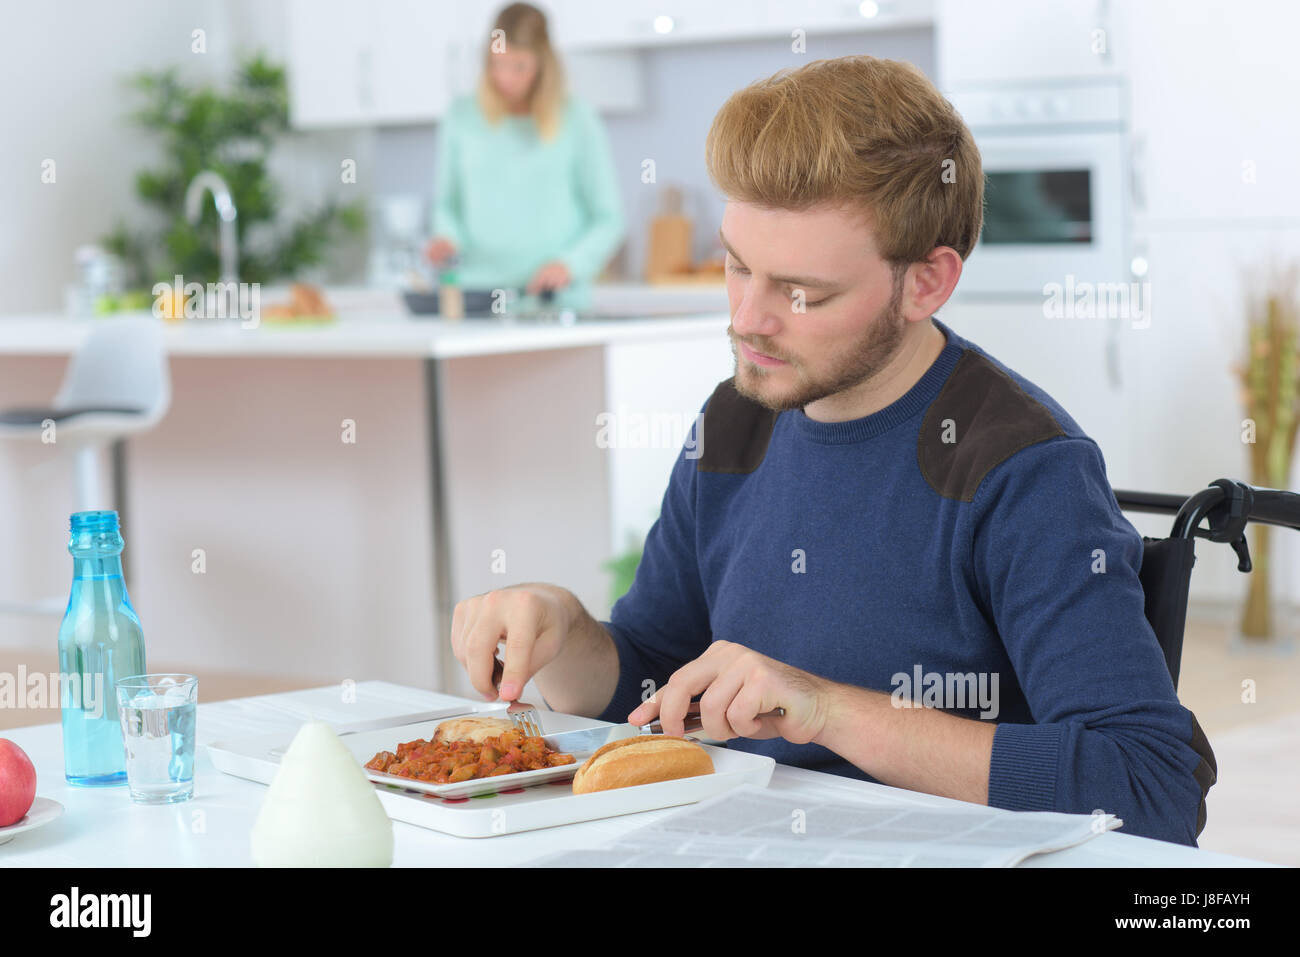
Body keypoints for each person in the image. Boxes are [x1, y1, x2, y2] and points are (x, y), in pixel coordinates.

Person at [448, 56, 1217, 846]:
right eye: (737, 266)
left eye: (801, 292)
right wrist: (566, 633)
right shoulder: (739, 417)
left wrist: (828, 709)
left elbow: (1151, 785)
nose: (748, 319)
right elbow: (649, 681)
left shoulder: (1022, 468)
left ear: (925, 283)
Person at [426, 2, 624, 313]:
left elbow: (608, 218)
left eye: (518, 66)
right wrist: (447, 238)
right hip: (477, 300)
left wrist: (569, 265)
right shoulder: (460, 118)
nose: (504, 77)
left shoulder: (577, 120)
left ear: (543, 65)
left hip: (554, 302)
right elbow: (446, 205)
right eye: (496, 64)